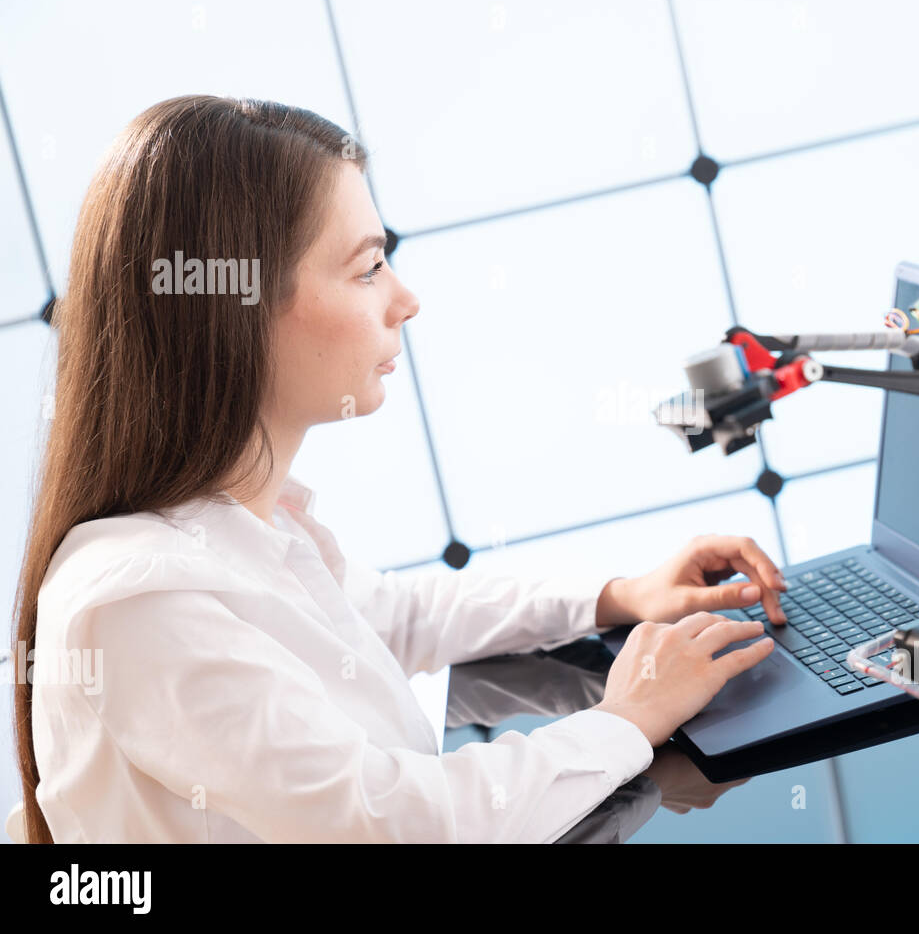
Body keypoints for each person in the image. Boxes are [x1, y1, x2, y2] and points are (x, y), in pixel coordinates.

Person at [9, 95, 788, 843]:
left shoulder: (245, 532)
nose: (405, 299)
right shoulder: (137, 597)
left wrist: (618, 595)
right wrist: (625, 719)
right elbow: (392, 824)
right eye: (369, 267)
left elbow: (399, 617)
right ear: (234, 306)